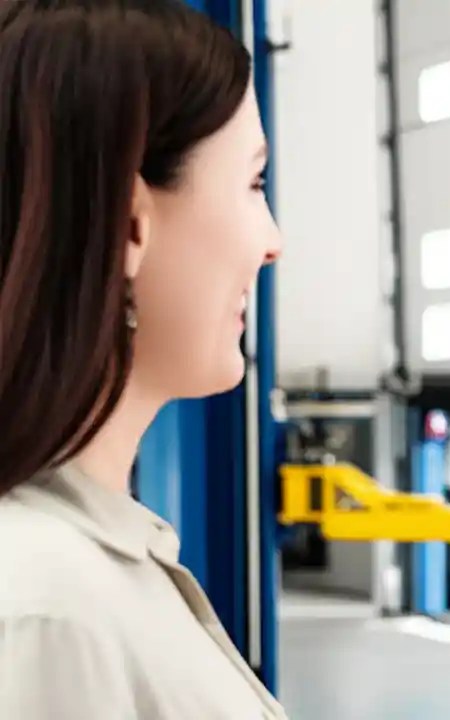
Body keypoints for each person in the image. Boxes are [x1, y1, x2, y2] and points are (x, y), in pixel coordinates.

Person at [0, 1, 287, 717]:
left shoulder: (94, 561)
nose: (272, 240)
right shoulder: (45, 608)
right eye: (253, 184)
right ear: (131, 223)